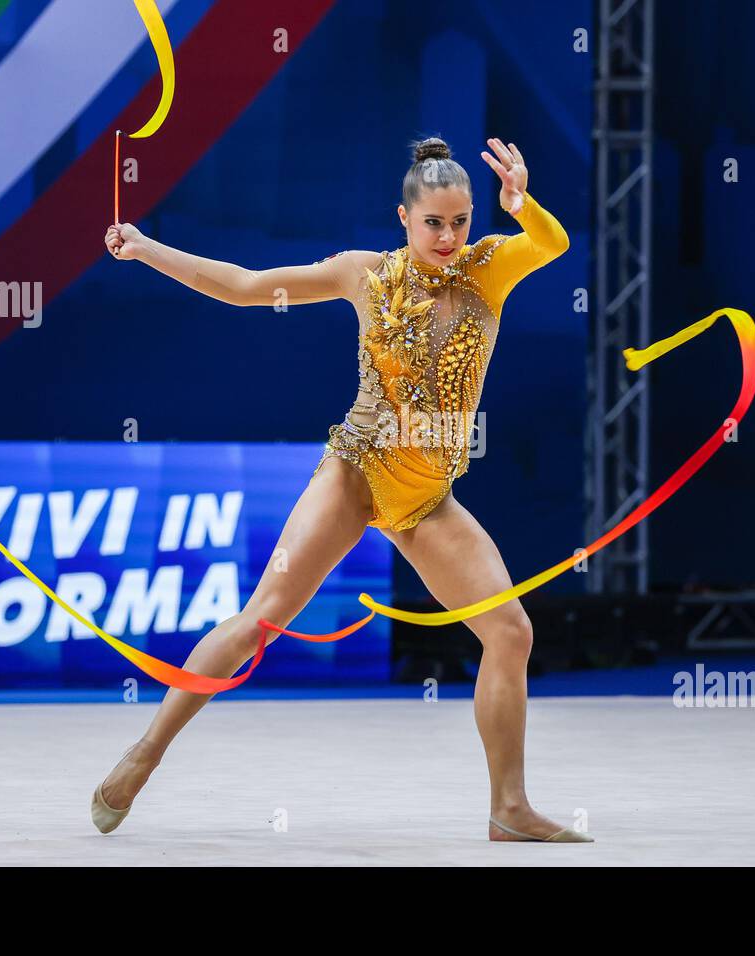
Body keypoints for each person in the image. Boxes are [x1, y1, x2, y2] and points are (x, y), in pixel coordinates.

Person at [96, 136, 590, 843]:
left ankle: (507, 808)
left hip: (425, 500)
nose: (449, 237)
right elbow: (242, 286)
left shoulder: (491, 271)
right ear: (403, 217)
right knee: (261, 617)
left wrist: (522, 202)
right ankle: (146, 753)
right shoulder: (363, 275)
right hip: (355, 475)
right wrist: (146, 247)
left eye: (461, 221)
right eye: (433, 223)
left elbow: (553, 240)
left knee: (509, 633)